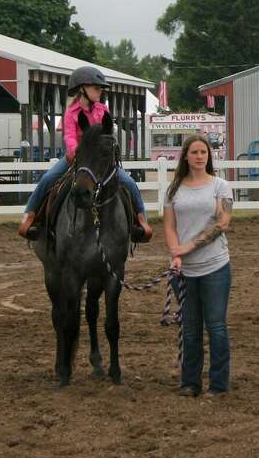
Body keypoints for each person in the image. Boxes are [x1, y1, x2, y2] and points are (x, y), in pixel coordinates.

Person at [17, 66, 152, 242]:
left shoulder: (103, 110)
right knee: (47, 179)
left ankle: (140, 220)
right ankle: (30, 217)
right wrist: (77, 153)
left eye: (100, 88)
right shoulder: (71, 113)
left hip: (99, 160)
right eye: (96, 88)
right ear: (82, 89)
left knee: (129, 183)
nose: (100, 92)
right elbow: (69, 136)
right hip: (77, 158)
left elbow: (106, 134)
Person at [163, 133, 234, 397]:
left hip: (215, 266)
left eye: (203, 152)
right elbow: (169, 226)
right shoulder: (174, 190)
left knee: (216, 326)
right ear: (186, 157)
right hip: (184, 270)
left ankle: (218, 384)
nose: (199, 156)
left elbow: (223, 222)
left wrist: (188, 247)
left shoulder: (220, 187)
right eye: (194, 152)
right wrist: (176, 253)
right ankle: (190, 382)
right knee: (190, 328)